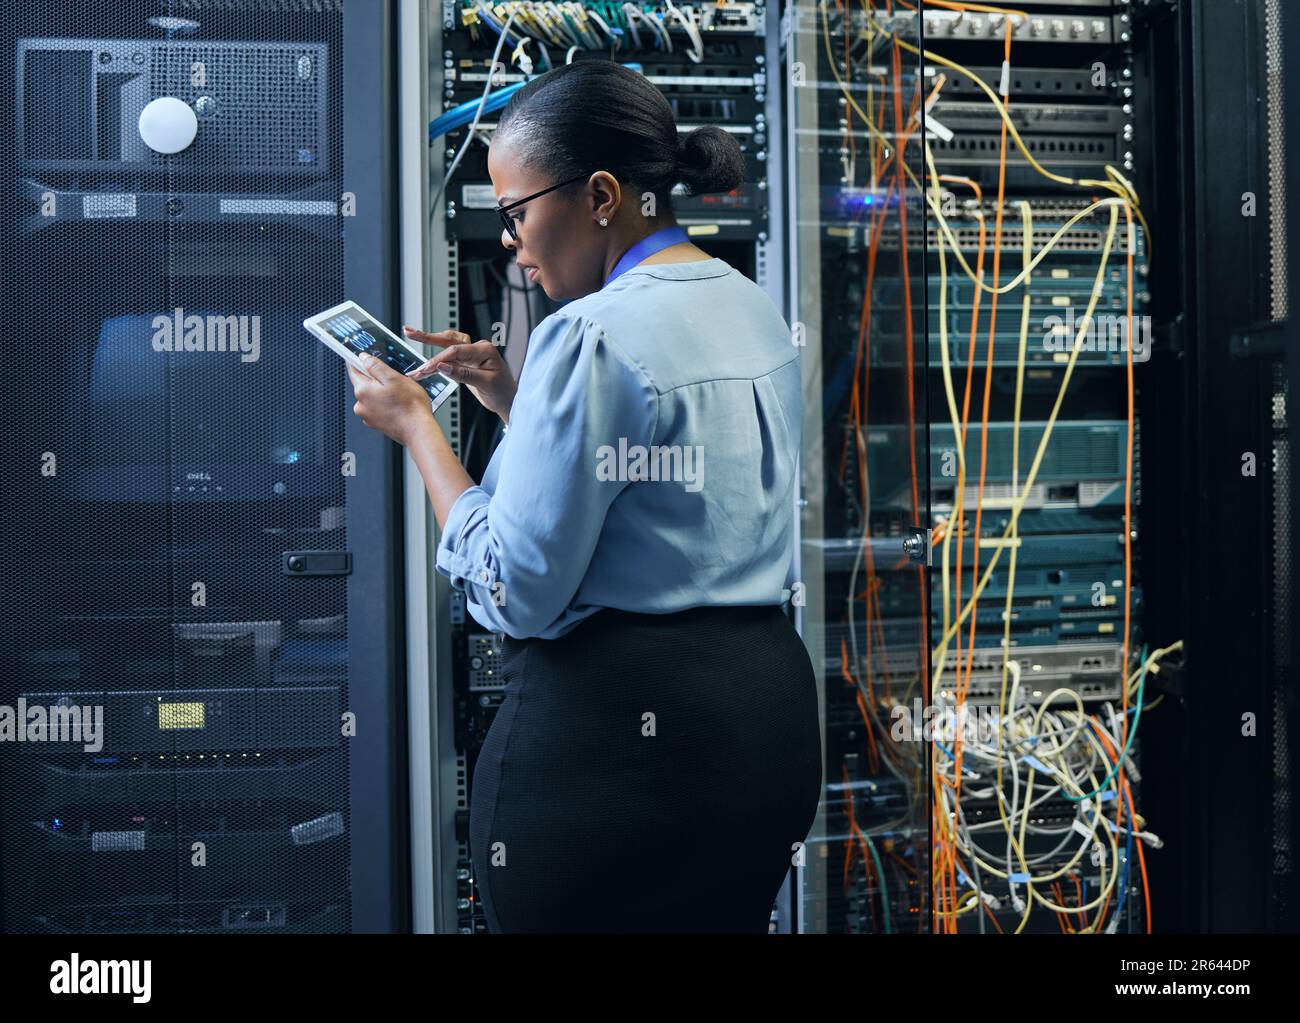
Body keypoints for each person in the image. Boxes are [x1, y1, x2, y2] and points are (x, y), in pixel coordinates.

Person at [347, 59, 822, 933]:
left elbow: (511, 587)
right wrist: (515, 401)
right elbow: (664, 491)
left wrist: (420, 430)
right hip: (765, 734)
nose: (511, 243)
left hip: (615, 766)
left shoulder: (590, 332)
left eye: (519, 212)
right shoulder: (751, 302)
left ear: (601, 195)